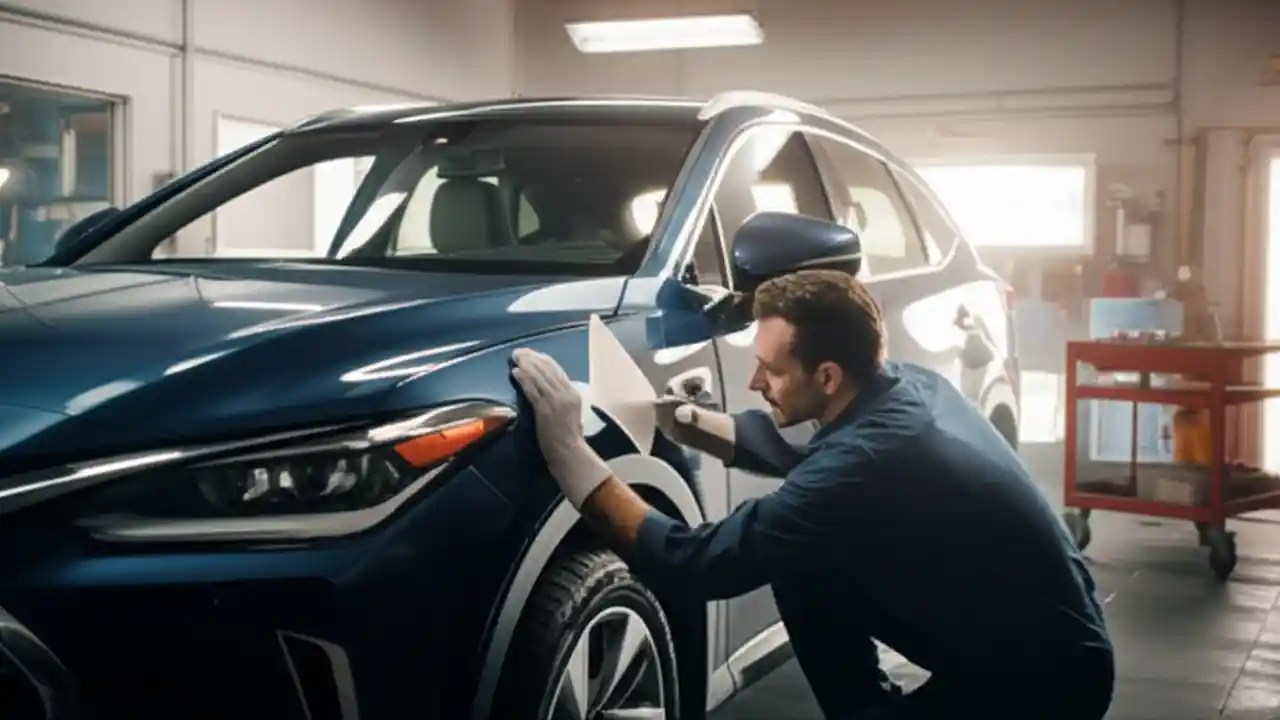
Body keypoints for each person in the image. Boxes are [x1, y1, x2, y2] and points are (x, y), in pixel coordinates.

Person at [510, 269, 1114, 719]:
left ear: (827, 376)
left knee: (784, 544)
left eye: (771, 370)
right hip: (1026, 633)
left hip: (1045, 684)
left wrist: (569, 453)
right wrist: (689, 423)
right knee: (802, 559)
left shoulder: (866, 461)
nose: (754, 382)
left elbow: (693, 562)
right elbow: (811, 452)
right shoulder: (904, 388)